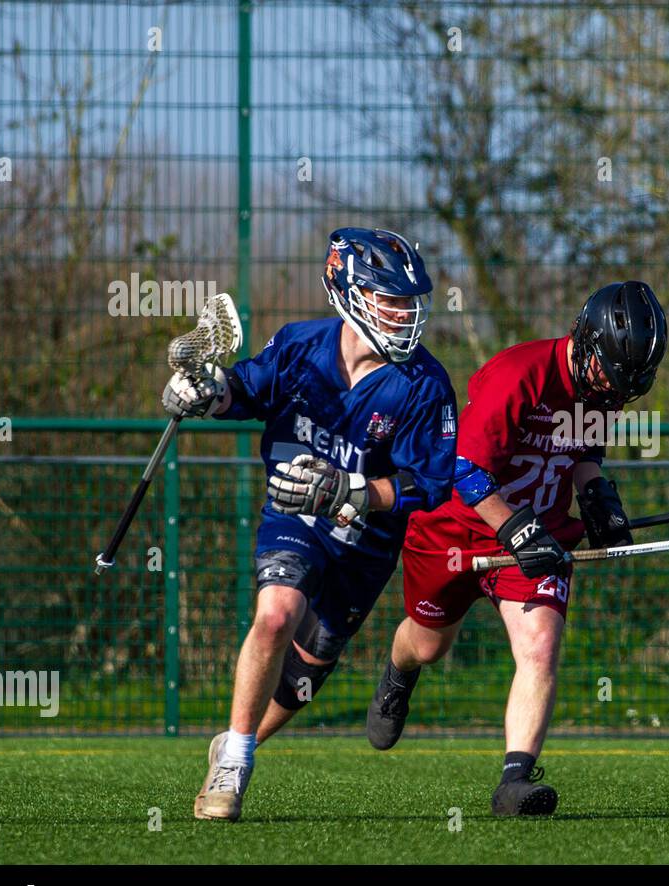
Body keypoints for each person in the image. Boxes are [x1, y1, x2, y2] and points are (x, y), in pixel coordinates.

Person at [163, 228, 458, 821]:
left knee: (306, 675)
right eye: (391, 300)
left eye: (410, 302)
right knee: (276, 613)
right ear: (348, 291)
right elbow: (244, 390)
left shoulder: (424, 385)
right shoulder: (300, 347)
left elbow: (429, 483)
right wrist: (205, 391)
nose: (406, 314)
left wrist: (354, 490)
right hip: (295, 512)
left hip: (366, 541)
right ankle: (235, 766)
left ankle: (237, 738)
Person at [368, 280, 667, 816]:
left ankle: (515, 780)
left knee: (539, 645)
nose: (617, 393)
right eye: (614, 375)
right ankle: (399, 671)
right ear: (586, 342)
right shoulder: (517, 376)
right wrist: (514, 529)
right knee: (429, 644)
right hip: (458, 529)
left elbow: (582, 452)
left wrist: (598, 499)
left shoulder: (601, 389)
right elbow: (464, 470)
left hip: (541, 533)